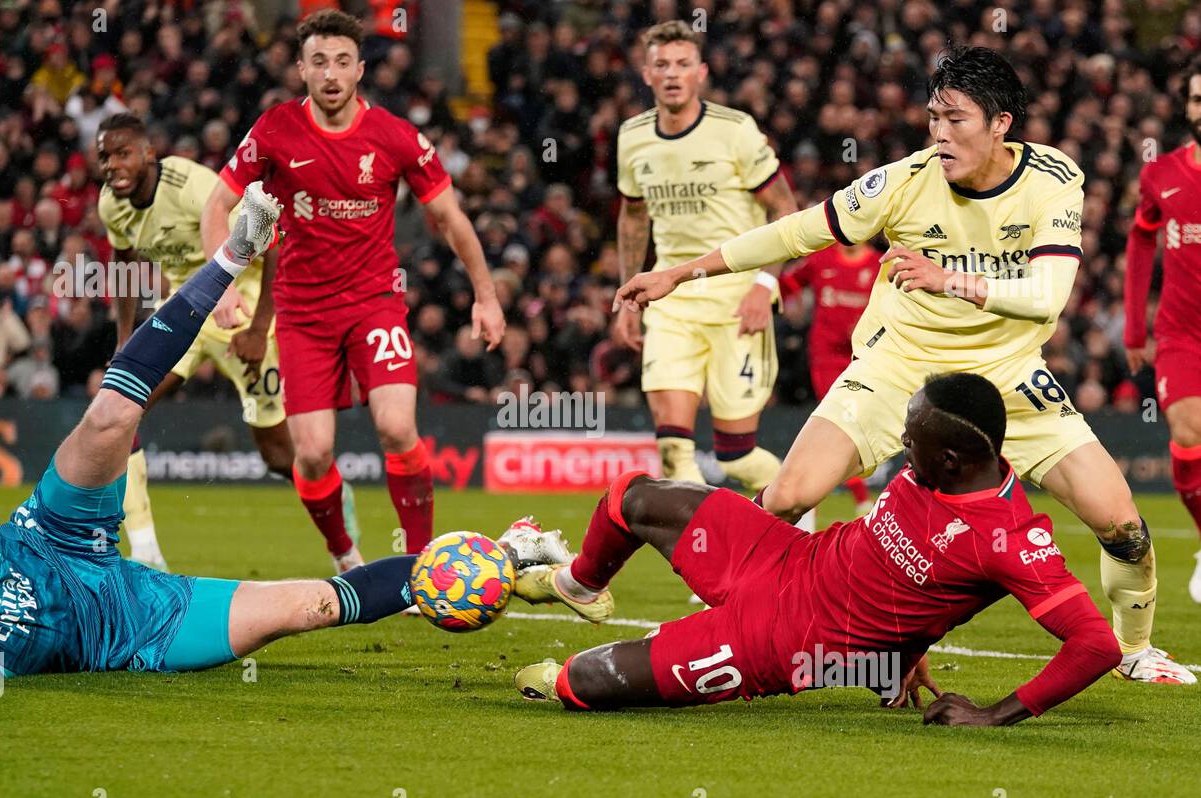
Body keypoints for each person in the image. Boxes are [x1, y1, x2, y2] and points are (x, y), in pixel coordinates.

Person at [615, 45, 1192, 685]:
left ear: (1001, 123)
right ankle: (716, 616)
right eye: (933, 118)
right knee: (787, 494)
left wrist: (950, 280)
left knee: (1123, 525)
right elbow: (795, 232)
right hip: (899, 367)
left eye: (957, 119)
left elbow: (1046, 297)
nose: (940, 134)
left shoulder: (1053, 179)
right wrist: (681, 272)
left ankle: (1135, 649)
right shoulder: (901, 182)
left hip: (1004, 375)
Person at [0, 185, 413, 679]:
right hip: (131, 622)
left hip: (52, 533)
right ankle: (441, 571)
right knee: (310, 605)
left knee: (110, 416)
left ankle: (235, 253)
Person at [515, 374, 1126, 723]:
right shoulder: (943, 466)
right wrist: (909, 646)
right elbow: (909, 575)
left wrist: (995, 713)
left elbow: (1097, 644)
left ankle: (634, 656)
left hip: (779, 643)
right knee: (631, 495)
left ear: (948, 457)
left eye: (910, 440)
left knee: (578, 682)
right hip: (777, 555)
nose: (901, 447)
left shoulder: (1010, 540)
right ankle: (581, 585)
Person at [202, 9, 504, 571]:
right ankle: (346, 556)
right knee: (312, 455)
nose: (331, 73)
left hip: (374, 304)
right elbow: (216, 205)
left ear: (361, 69)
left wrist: (486, 297)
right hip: (302, 314)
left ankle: (422, 564)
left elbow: (452, 219)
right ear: (301, 68)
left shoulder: (394, 136)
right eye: (319, 62)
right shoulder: (274, 130)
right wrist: (222, 286)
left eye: (342, 61)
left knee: (395, 426)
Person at [95, 111, 357, 573]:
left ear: (148, 154)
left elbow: (271, 242)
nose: (112, 165)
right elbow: (127, 269)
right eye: (104, 157)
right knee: (119, 408)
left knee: (280, 456)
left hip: (242, 306)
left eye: (122, 154)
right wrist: (124, 344)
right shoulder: (110, 206)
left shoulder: (193, 186)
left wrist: (259, 327)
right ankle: (147, 554)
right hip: (186, 307)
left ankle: (334, 500)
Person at [613, 20, 799, 505]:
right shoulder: (631, 137)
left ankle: (801, 526)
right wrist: (628, 296)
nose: (672, 74)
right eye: (661, 65)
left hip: (737, 297)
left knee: (737, 456)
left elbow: (784, 210)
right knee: (674, 451)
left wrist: (764, 284)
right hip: (671, 300)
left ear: (702, 73)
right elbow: (633, 219)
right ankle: (701, 570)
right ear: (646, 73)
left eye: (682, 64)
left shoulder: (735, 130)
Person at [1123, 58, 1201, 602]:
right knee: (1189, 431)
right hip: (1181, 335)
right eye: (1198, 98)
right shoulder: (1162, 174)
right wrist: (1134, 329)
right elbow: (1139, 241)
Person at [779, 241, 883, 513]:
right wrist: (793, 305)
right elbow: (787, 283)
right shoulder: (820, 260)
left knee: (862, 423)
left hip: (866, 356)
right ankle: (861, 499)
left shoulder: (881, 264)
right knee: (841, 422)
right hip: (825, 356)